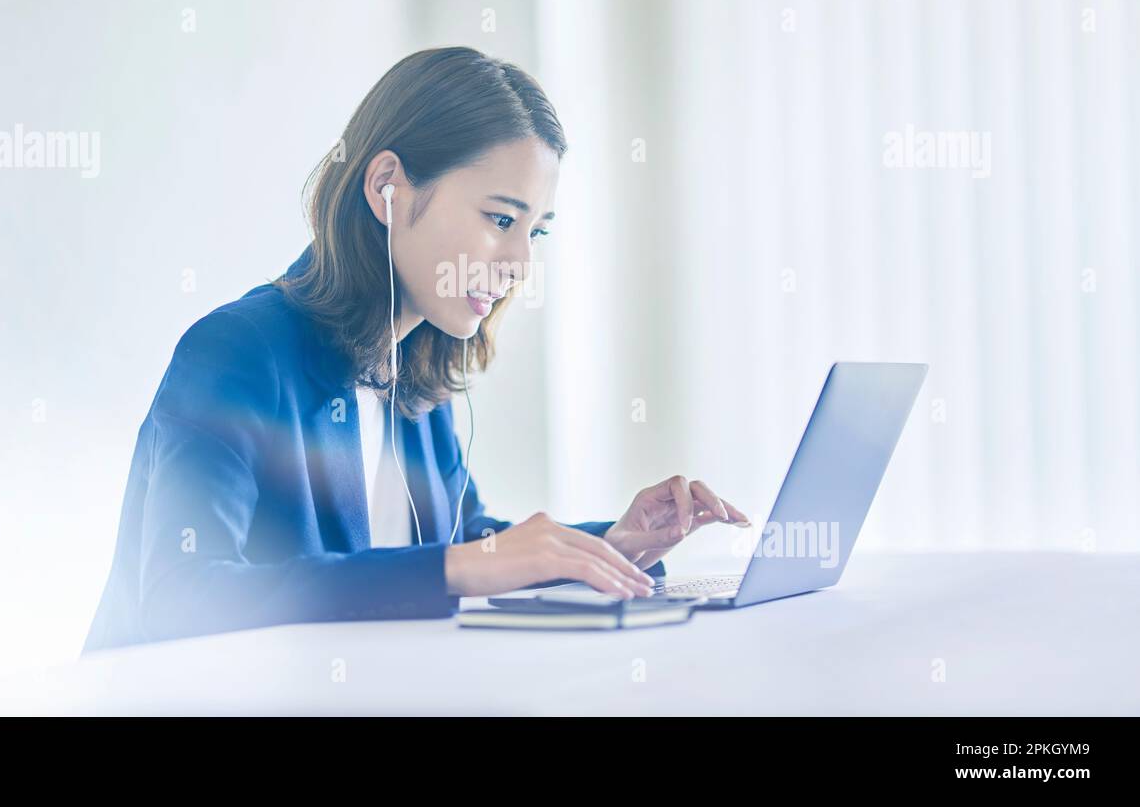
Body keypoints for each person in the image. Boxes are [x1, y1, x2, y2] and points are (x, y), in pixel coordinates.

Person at [82, 46, 749, 653]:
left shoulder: (417, 370)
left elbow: (455, 542)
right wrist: (460, 567)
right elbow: (179, 595)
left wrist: (610, 546)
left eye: (535, 233)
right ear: (387, 188)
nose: (520, 263)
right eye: (500, 219)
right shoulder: (235, 353)